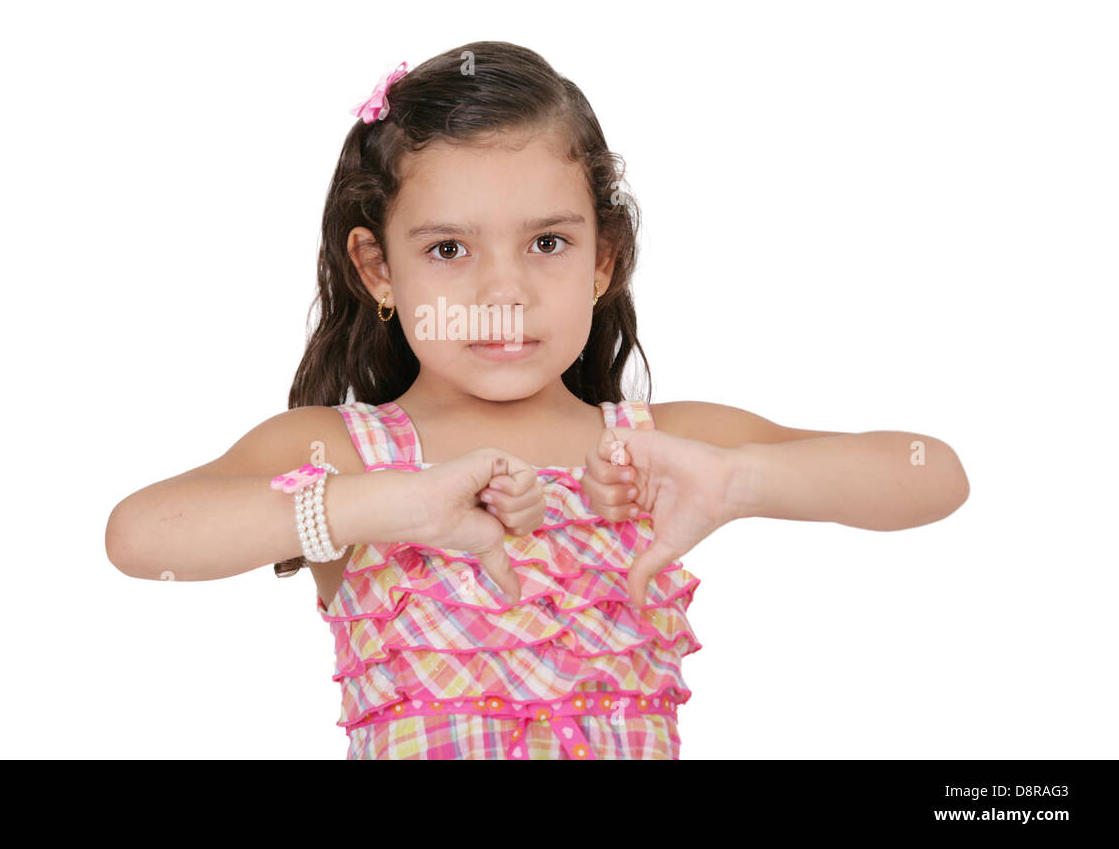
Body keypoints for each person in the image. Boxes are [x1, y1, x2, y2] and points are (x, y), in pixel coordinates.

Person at [104, 41, 970, 759]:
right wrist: (394, 504)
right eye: (449, 250)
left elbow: (932, 477)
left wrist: (739, 481)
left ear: (604, 260)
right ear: (379, 270)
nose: (503, 291)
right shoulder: (347, 454)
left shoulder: (657, 446)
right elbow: (142, 536)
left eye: (548, 242)